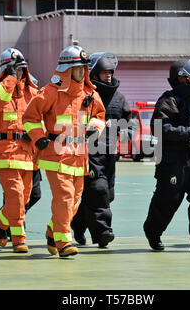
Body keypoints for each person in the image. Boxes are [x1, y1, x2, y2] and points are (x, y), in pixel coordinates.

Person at [23, 45, 106, 257]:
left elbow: (100, 115)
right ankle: (63, 242)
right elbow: (30, 117)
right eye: (78, 68)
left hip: (80, 155)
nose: (82, 72)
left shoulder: (90, 93)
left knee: (74, 201)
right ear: (66, 69)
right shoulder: (50, 92)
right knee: (65, 198)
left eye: (84, 68)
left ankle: (52, 232)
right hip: (55, 155)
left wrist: (94, 127)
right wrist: (39, 138)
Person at [143, 57, 190, 252]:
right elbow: (159, 128)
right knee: (168, 200)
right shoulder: (168, 100)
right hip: (173, 159)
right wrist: (187, 133)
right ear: (180, 78)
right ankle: (153, 232)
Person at [71, 52, 135, 248]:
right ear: (94, 74)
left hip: (110, 153)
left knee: (107, 195)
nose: (108, 76)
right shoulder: (84, 95)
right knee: (98, 191)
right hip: (89, 151)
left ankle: (78, 223)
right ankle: (103, 233)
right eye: (104, 72)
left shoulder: (119, 98)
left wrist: (127, 133)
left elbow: (128, 122)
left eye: (110, 72)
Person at [0, 48, 37, 253]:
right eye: (15, 69)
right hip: (4, 151)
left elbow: (40, 117)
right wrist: (10, 80)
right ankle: (18, 238)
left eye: (22, 69)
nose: (20, 73)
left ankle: (0, 221)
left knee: (25, 198)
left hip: (27, 151)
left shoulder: (32, 92)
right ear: (6, 70)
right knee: (15, 196)